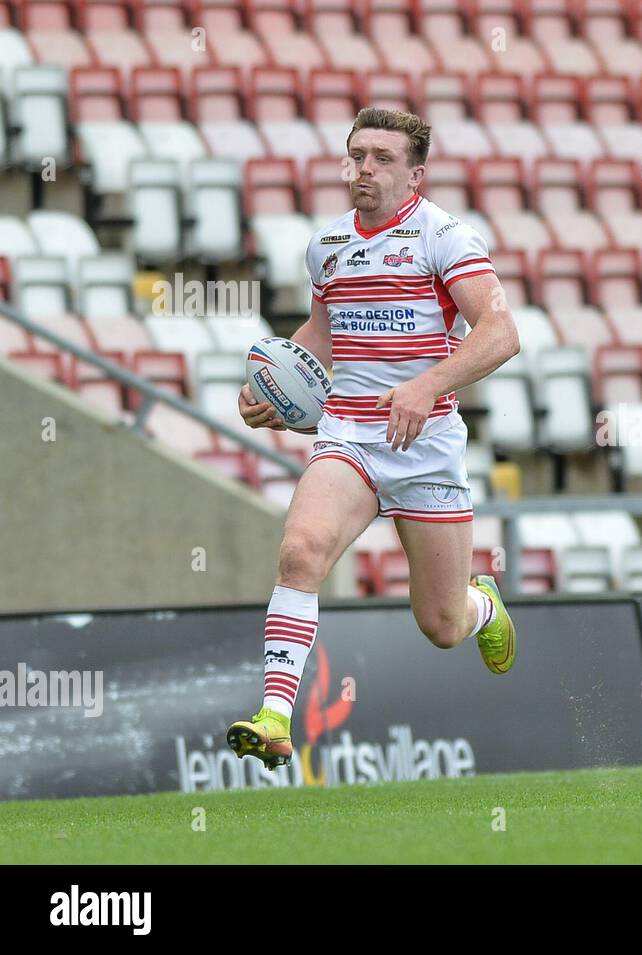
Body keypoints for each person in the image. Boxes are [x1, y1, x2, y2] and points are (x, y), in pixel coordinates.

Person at [226, 107, 520, 769]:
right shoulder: (326, 245)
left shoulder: (444, 237)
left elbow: (501, 334)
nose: (364, 168)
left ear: (415, 173)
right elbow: (323, 335)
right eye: (357, 154)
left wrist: (426, 385)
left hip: (427, 447)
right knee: (301, 550)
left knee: (441, 624)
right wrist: (274, 388)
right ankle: (275, 716)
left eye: (382, 158)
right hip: (349, 437)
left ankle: (482, 604)